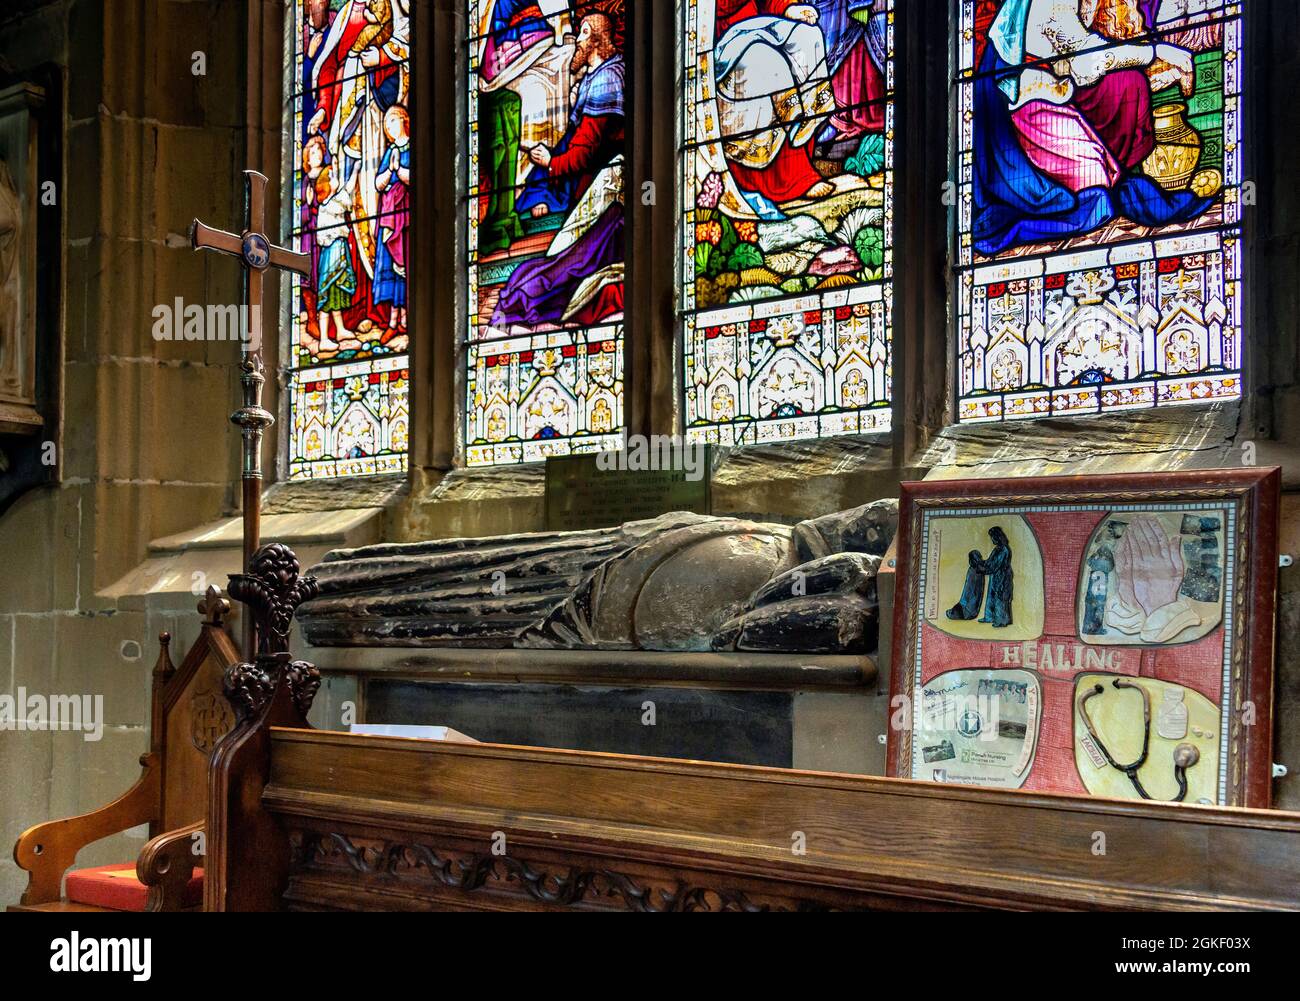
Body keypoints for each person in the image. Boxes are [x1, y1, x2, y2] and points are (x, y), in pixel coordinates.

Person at [975, 0, 1212, 256]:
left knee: (1106, 171)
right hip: (1030, 108)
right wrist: (1157, 52)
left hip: (1058, 96)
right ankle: (1025, 219)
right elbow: (1086, 64)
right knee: (1094, 196)